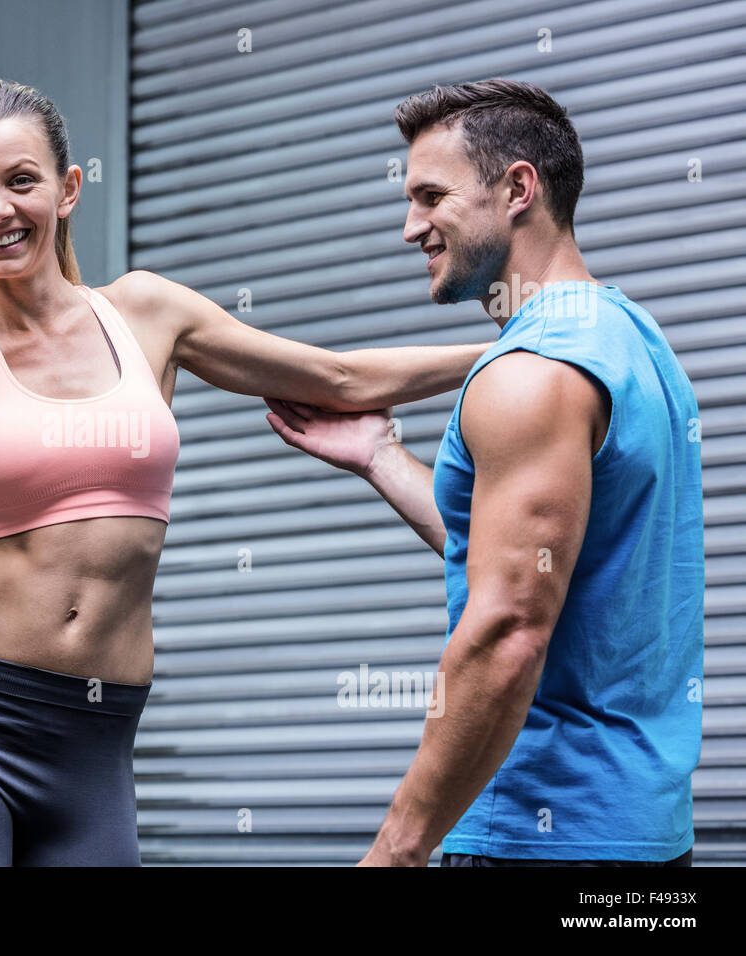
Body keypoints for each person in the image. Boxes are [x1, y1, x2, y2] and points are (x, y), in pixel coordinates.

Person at [0, 79, 490, 866]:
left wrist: (517, 345)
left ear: (69, 190)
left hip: (97, 737)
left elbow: (338, 378)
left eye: (20, 180)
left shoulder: (145, 314)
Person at [266, 78, 703, 867]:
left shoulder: (530, 374)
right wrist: (381, 457)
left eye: (431, 196)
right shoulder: (634, 340)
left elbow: (507, 630)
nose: (410, 228)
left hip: (543, 828)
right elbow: (540, 565)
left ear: (518, 189)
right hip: (643, 831)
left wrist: (396, 851)